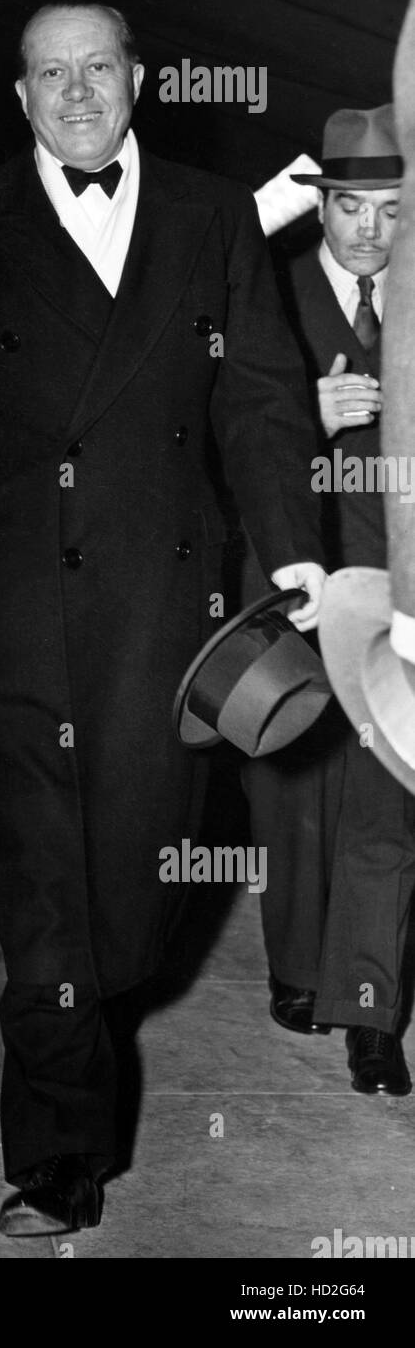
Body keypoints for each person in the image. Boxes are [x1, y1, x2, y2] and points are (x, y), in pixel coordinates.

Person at [0, 3, 325, 1236]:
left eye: (97, 67)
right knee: (42, 899)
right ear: (19, 95)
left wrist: (293, 560)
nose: (76, 91)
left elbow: (261, 404)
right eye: (48, 73)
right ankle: (55, 1161)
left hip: (164, 615)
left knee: (131, 895)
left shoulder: (210, 211)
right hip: (14, 605)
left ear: (136, 78)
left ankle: (95, 994)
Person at [243, 106, 412, 1095]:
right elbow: (213, 437)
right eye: (350, 205)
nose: (368, 231)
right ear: (321, 205)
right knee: (292, 790)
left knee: (387, 792)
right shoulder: (263, 294)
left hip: (400, 586)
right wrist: (302, 418)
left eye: (392, 211)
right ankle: (298, 971)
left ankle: (369, 1008)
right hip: (296, 579)